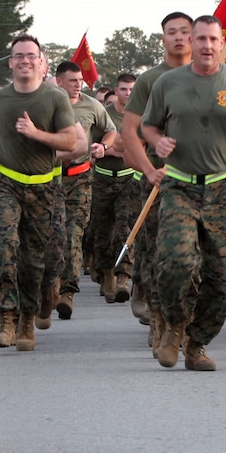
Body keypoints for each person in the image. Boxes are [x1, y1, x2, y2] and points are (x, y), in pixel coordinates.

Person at [140, 15, 226, 371]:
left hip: (223, 187)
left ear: (222, 43)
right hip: (180, 185)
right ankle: (174, 327)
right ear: (192, 43)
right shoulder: (168, 83)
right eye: (200, 39)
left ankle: (197, 343)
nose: (207, 46)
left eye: (213, 39)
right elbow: (147, 125)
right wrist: (158, 141)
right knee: (175, 263)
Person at [0, 34, 79, 352]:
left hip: (43, 187)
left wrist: (36, 134)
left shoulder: (54, 98)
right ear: (11, 63)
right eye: (19, 56)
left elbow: (70, 142)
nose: (24, 61)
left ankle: (26, 321)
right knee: (4, 248)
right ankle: (5, 318)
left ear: (41, 63)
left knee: (34, 261)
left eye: (31, 56)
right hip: (4, 183)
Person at [121, 12, 193, 354]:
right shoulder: (151, 80)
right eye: (172, 32)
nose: (179, 37)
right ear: (163, 39)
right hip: (159, 183)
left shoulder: (213, 75)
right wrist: (150, 170)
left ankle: (184, 323)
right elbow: (129, 131)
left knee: (193, 257)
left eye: (185, 32)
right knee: (155, 253)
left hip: (201, 183)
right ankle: (159, 319)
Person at [54, 60, 117, 317]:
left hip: (80, 179)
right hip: (49, 179)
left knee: (72, 235)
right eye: (72, 80)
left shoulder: (93, 106)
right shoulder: (47, 104)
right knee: (51, 237)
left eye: (80, 80)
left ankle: (67, 291)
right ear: (58, 81)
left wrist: (103, 146)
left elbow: (110, 132)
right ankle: (50, 287)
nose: (78, 84)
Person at [77, 73, 139, 319]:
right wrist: (112, 148)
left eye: (132, 89)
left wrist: (111, 148)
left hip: (128, 178)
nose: (128, 93)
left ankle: (123, 276)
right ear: (117, 90)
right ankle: (106, 274)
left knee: (126, 228)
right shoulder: (105, 114)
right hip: (101, 178)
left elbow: (135, 146)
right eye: (123, 89)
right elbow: (94, 147)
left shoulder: (139, 115)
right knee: (102, 231)